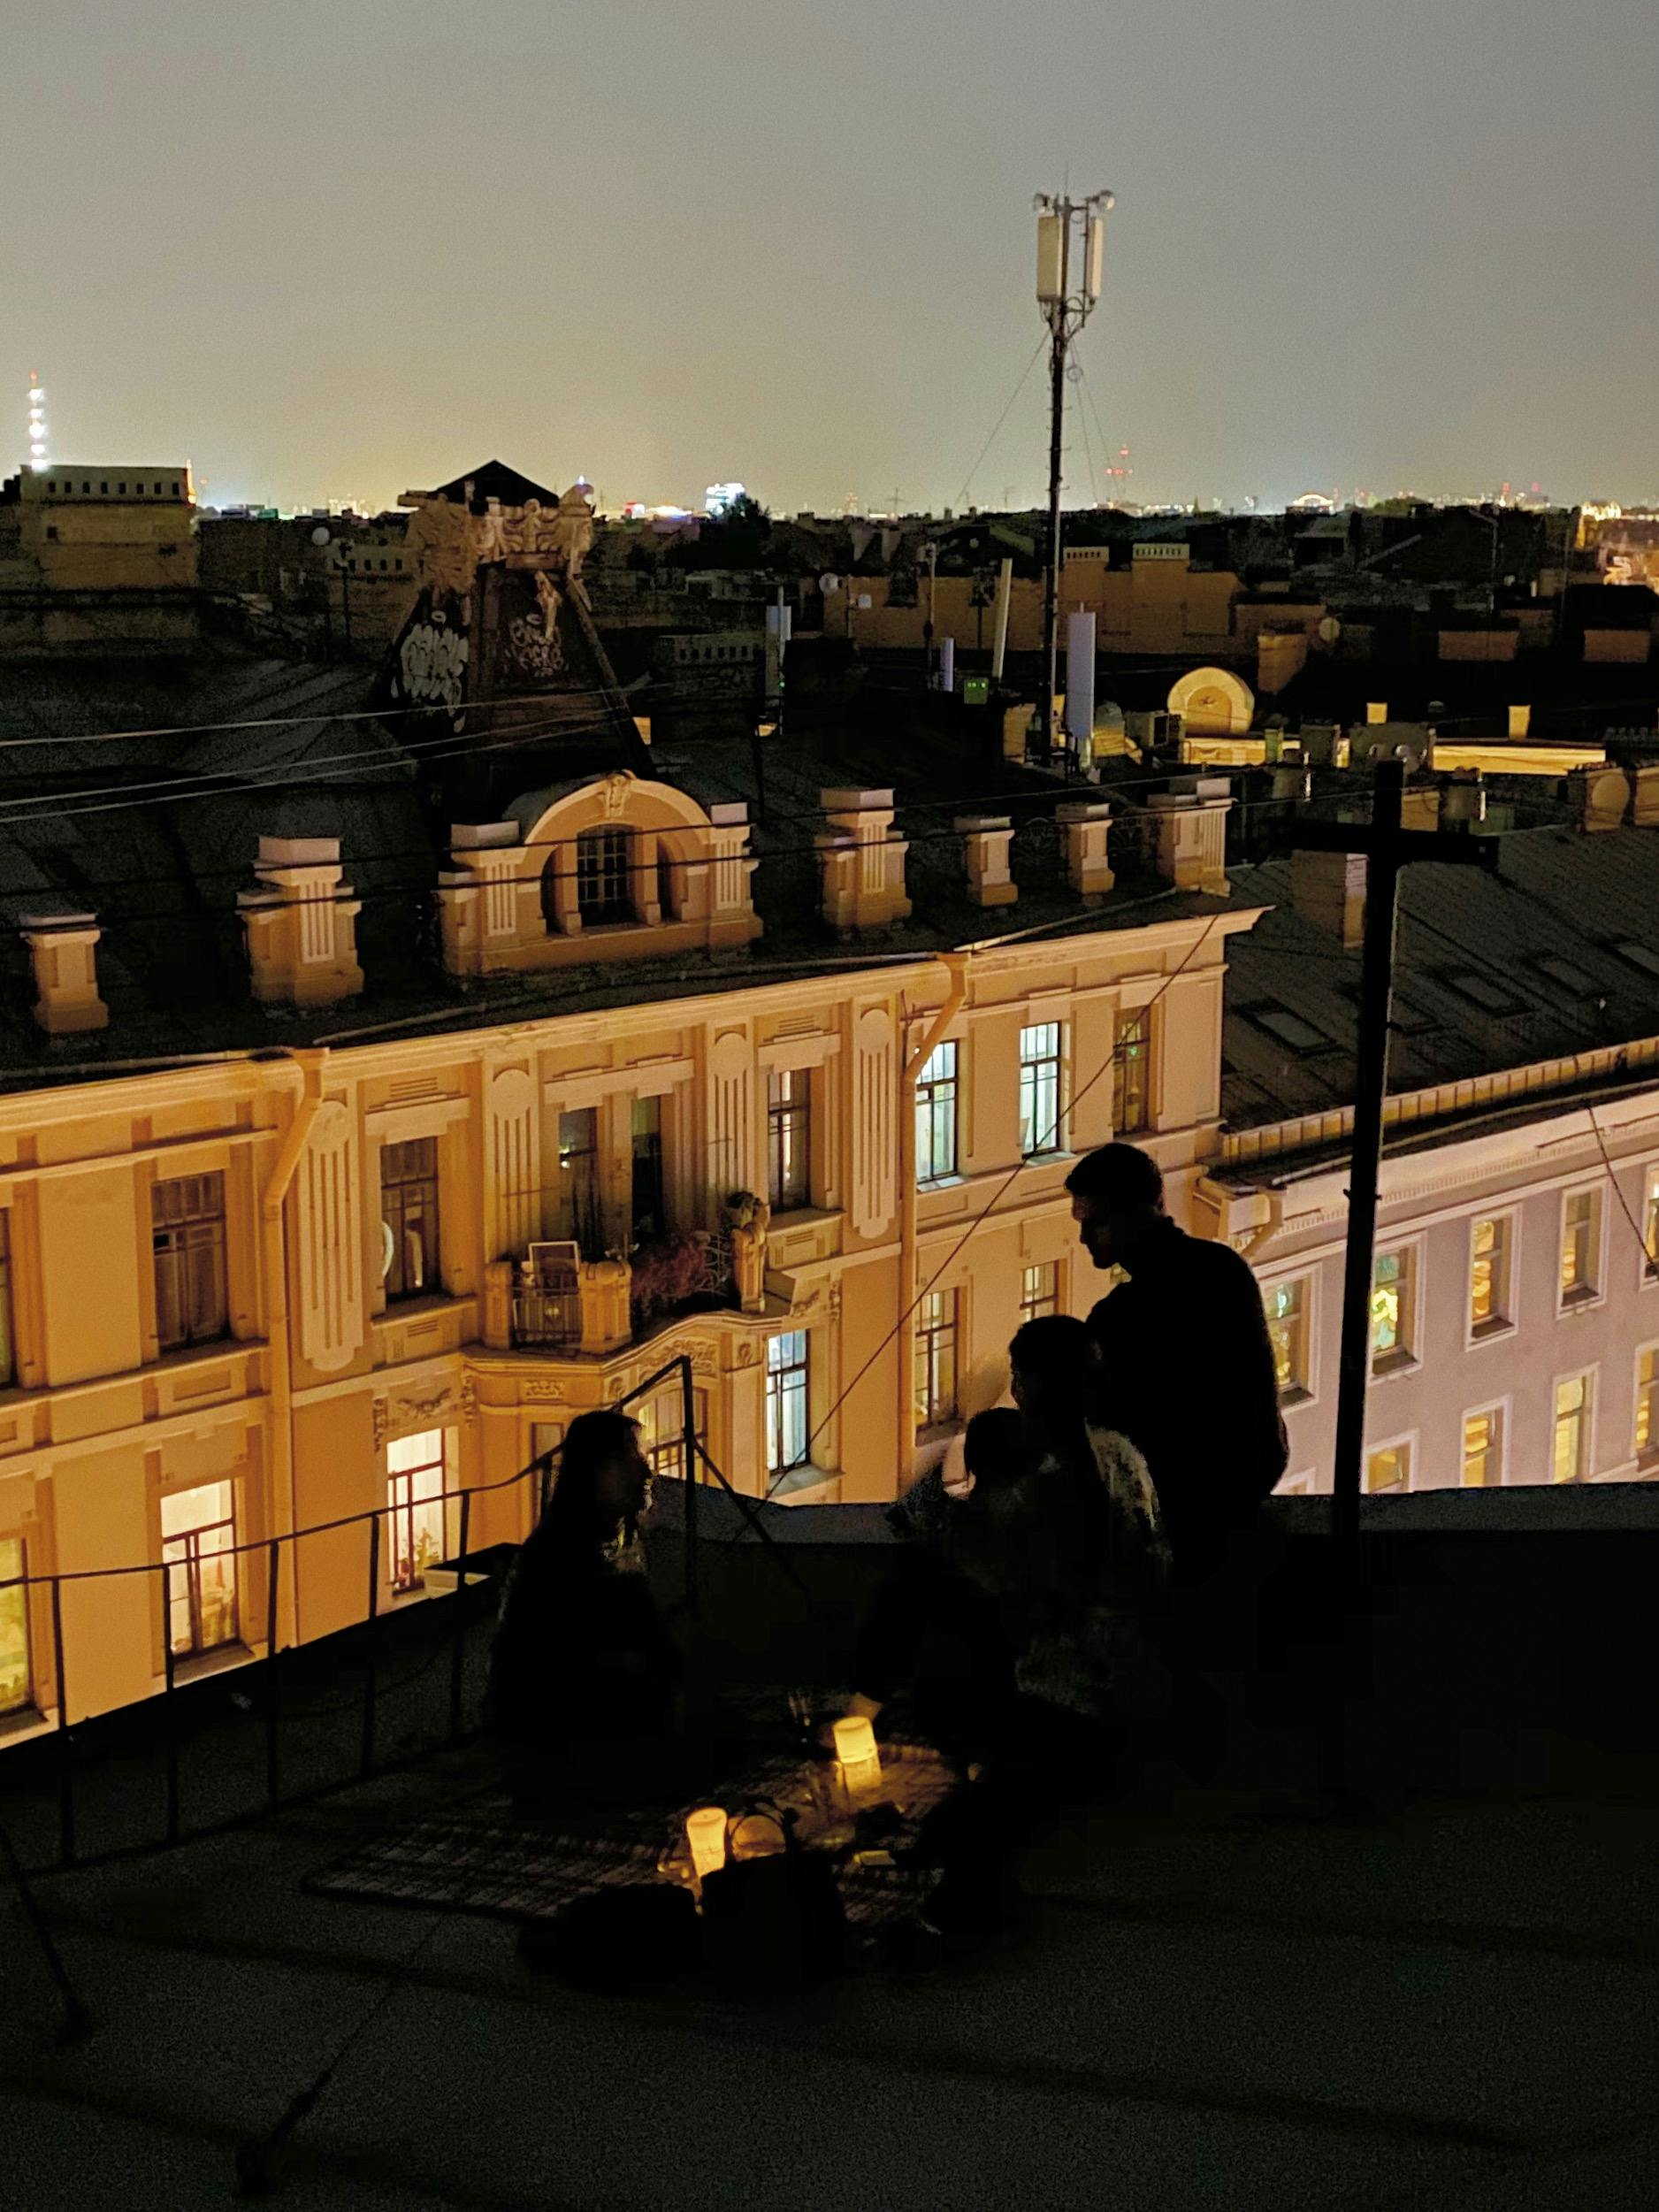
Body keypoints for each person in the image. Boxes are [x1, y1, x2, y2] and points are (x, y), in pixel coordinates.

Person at [1066, 1143, 1286, 1586]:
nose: (1085, 1237)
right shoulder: (1222, 1271)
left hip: (1173, 1529)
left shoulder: (1120, 1317)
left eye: (1095, 1222)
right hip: (1236, 1507)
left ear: (1133, 1213)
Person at [485, 1411, 681, 1810]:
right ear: (595, 1472)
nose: (645, 1470)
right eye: (629, 1457)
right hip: (567, 1739)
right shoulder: (561, 1554)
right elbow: (572, 1662)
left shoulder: (619, 1540)